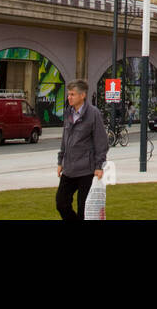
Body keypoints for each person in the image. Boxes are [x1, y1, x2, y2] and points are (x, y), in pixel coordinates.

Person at [56, 80, 106, 221]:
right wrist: (60, 161)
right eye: (68, 94)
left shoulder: (93, 114)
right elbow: (65, 139)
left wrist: (99, 166)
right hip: (69, 169)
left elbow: (101, 142)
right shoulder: (68, 113)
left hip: (87, 170)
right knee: (61, 203)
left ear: (82, 95)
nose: (69, 97)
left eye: (72, 94)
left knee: (84, 210)